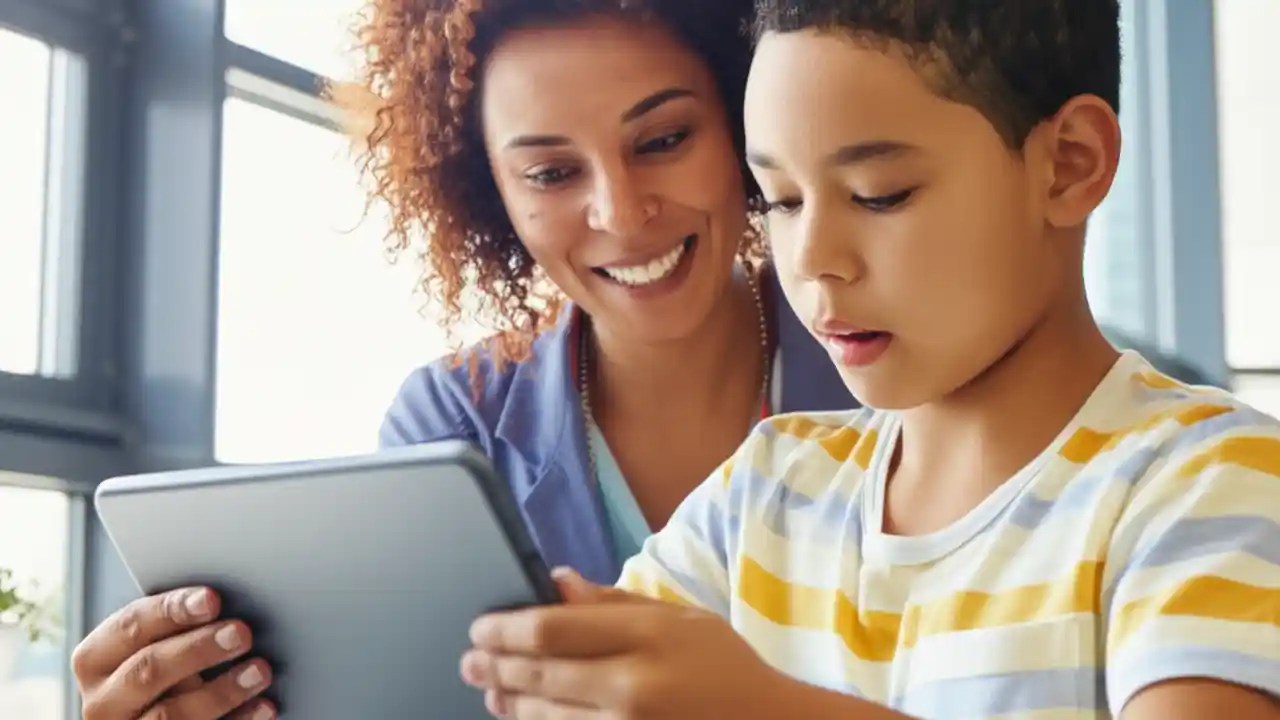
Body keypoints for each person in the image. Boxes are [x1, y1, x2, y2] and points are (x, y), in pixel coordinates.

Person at [458, 2, 1280, 719]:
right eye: (781, 200)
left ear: (1070, 163)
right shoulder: (763, 496)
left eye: (879, 194)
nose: (812, 258)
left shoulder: (1208, 483)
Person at [69, 2, 853, 718]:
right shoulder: (455, 426)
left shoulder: (887, 353)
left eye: (663, 140)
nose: (620, 211)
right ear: (490, 193)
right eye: (550, 173)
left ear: (745, 121)